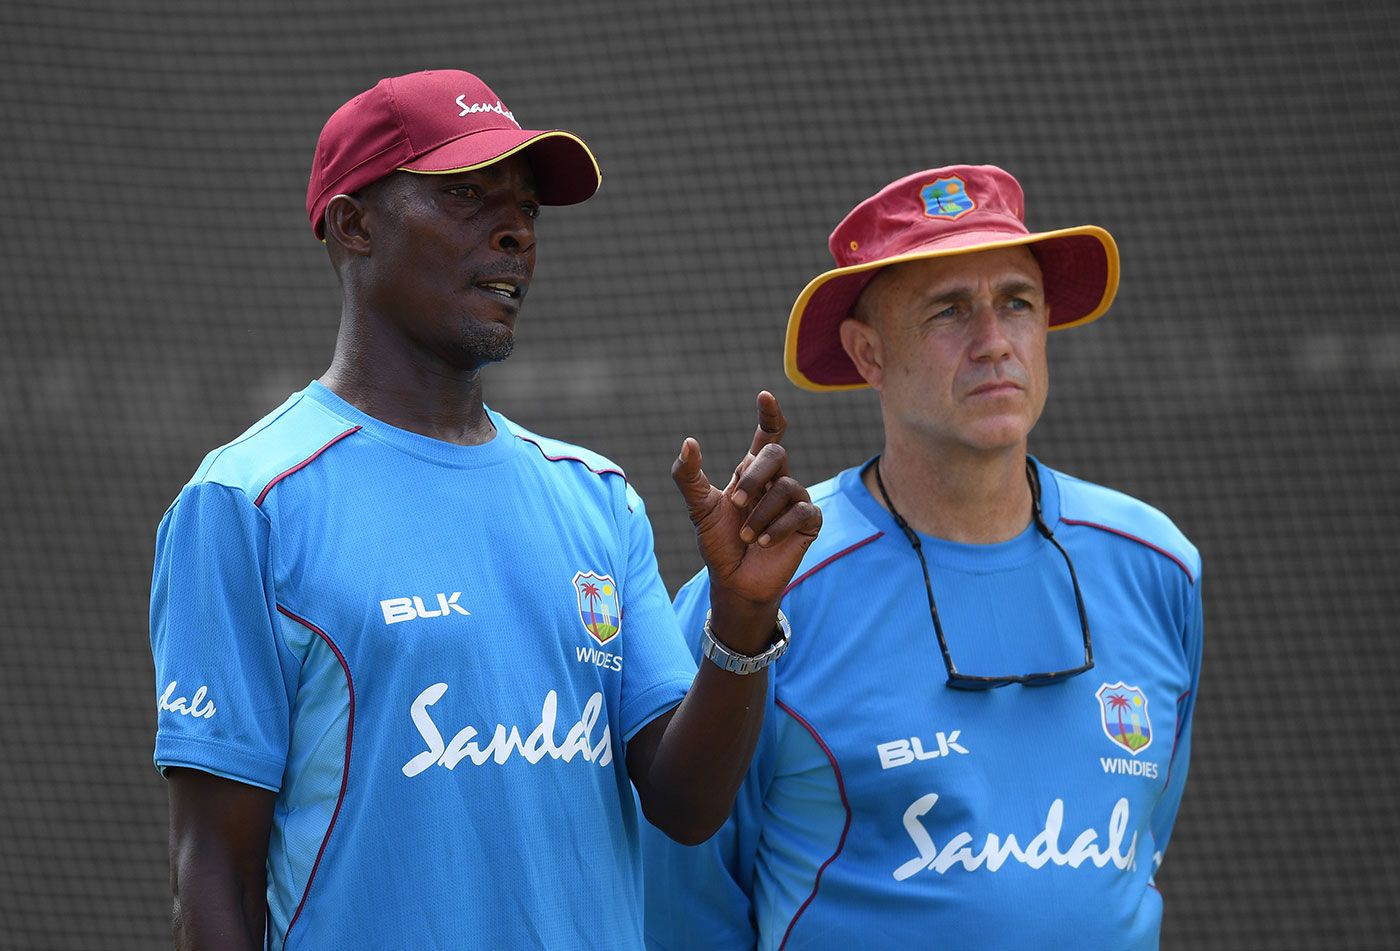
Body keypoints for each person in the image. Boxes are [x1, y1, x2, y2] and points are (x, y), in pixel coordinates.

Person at [149, 68, 821, 950]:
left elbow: (686, 807)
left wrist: (740, 623)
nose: (515, 233)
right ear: (354, 225)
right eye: (467, 196)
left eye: (528, 209)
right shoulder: (247, 502)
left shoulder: (596, 497)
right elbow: (215, 874)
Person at [643, 165, 1203, 950]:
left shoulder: (1157, 566)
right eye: (950, 311)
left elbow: (1138, 852)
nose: (994, 342)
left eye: (1018, 301)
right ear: (867, 352)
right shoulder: (762, 589)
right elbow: (682, 892)